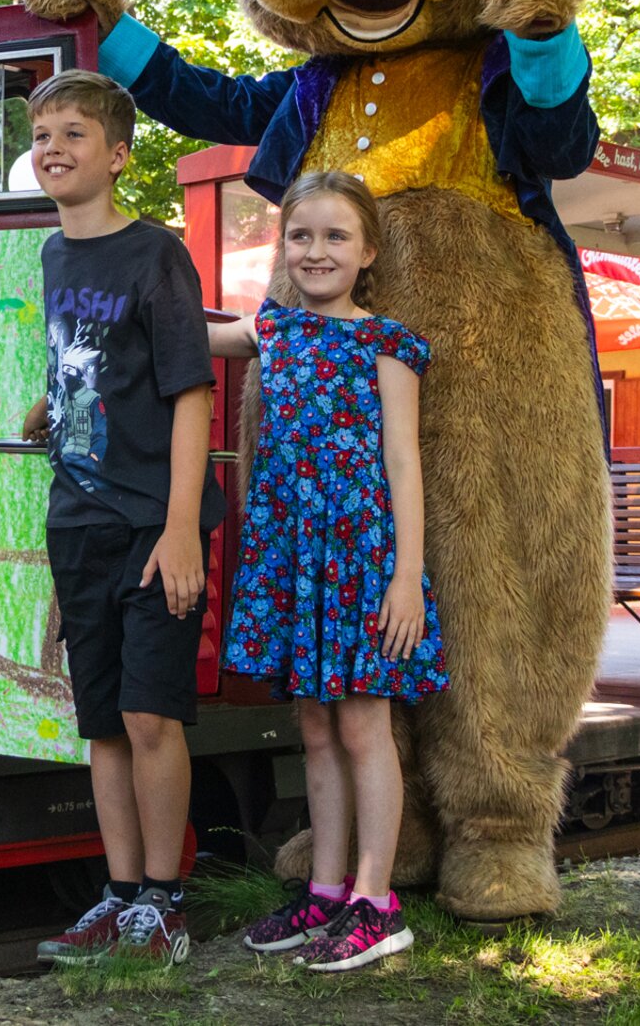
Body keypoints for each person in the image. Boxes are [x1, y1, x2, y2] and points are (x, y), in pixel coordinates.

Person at [209, 170, 447, 973]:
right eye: (301, 235)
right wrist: (114, 307)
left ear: (368, 251)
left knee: (360, 724)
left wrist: (407, 575)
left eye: (336, 235)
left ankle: (378, 902)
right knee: (313, 725)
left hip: (359, 556)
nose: (315, 250)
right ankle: (326, 890)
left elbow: (405, 464)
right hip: (292, 554)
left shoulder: (386, 343)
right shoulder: (273, 330)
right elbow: (193, 332)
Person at [19, 69, 223, 967]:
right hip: (78, 520)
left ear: (117, 154)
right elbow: (90, 356)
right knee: (100, 720)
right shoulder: (54, 255)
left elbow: (187, 390)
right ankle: (121, 894)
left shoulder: (156, 253)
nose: (53, 148)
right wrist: (48, 401)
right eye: (41, 136)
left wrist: (182, 527)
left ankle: (166, 906)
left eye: (72, 133)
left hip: (152, 523)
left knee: (150, 716)